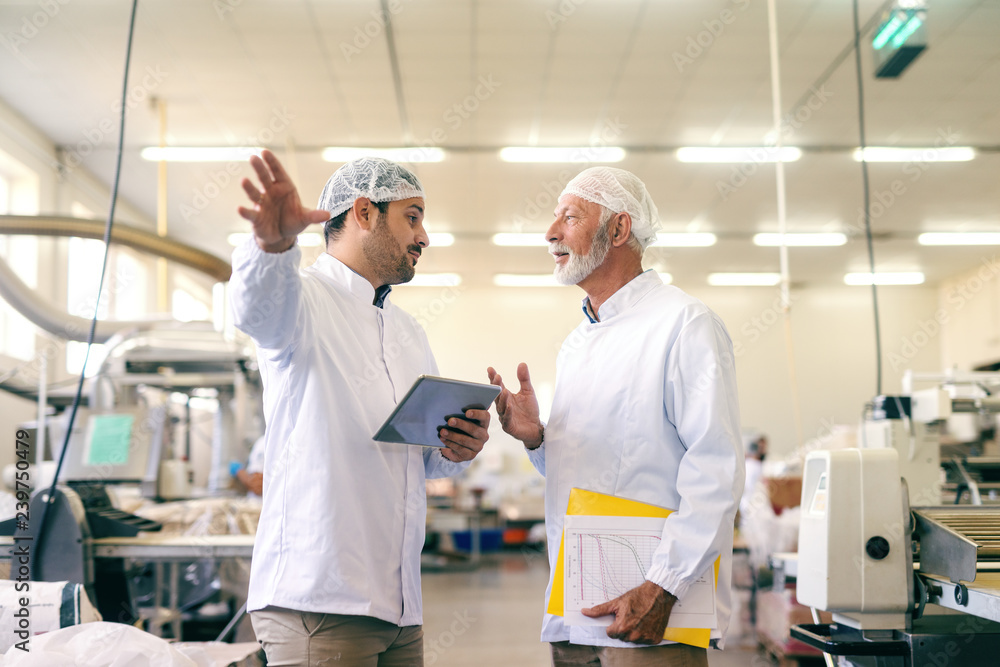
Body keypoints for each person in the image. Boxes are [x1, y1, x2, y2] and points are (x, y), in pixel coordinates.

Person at [230, 150, 491, 666]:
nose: (424, 237)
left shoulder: (407, 331)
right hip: (320, 601)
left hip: (399, 605)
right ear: (365, 213)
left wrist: (457, 446)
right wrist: (271, 247)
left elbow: (422, 456)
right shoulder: (303, 301)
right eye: (412, 217)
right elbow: (255, 309)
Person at [488, 167, 744, 666]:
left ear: (619, 229)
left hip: (649, 616)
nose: (550, 233)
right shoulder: (577, 343)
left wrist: (663, 586)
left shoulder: (684, 324)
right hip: (575, 614)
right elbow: (589, 470)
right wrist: (538, 440)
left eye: (570, 217)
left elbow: (716, 471)